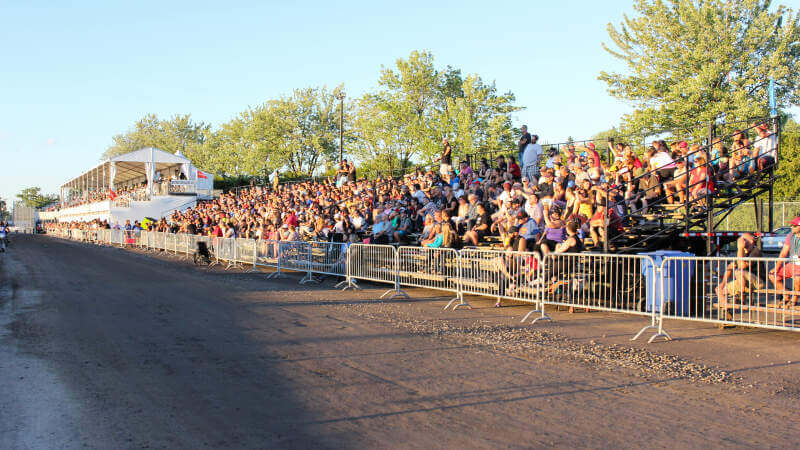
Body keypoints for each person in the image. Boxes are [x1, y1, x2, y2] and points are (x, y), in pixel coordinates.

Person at [768, 217, 800, 306]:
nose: (792, 227)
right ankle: (786, 295)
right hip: (791, 263)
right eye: (791, 225)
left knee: (797, 278)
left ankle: (795, 299)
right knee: (772, 275)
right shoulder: (790, 236)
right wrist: (776, 267)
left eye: (794, 226)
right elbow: (783, 253)